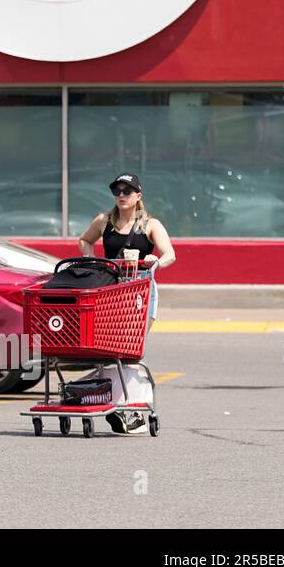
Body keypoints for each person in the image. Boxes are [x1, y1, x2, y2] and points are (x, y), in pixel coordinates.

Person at [76, 172, 176, 434]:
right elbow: (85, 240)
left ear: (138, 196)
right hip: (111, 293)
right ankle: (120, 406)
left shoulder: (150, 224)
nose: (121, 195)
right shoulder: (104, 221)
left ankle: (134, 412)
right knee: (113, 353)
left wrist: (155, 261)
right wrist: (92, 262)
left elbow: (169, 254)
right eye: (117, 191)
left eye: (127, 191)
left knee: (131, 352)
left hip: (141, 294)